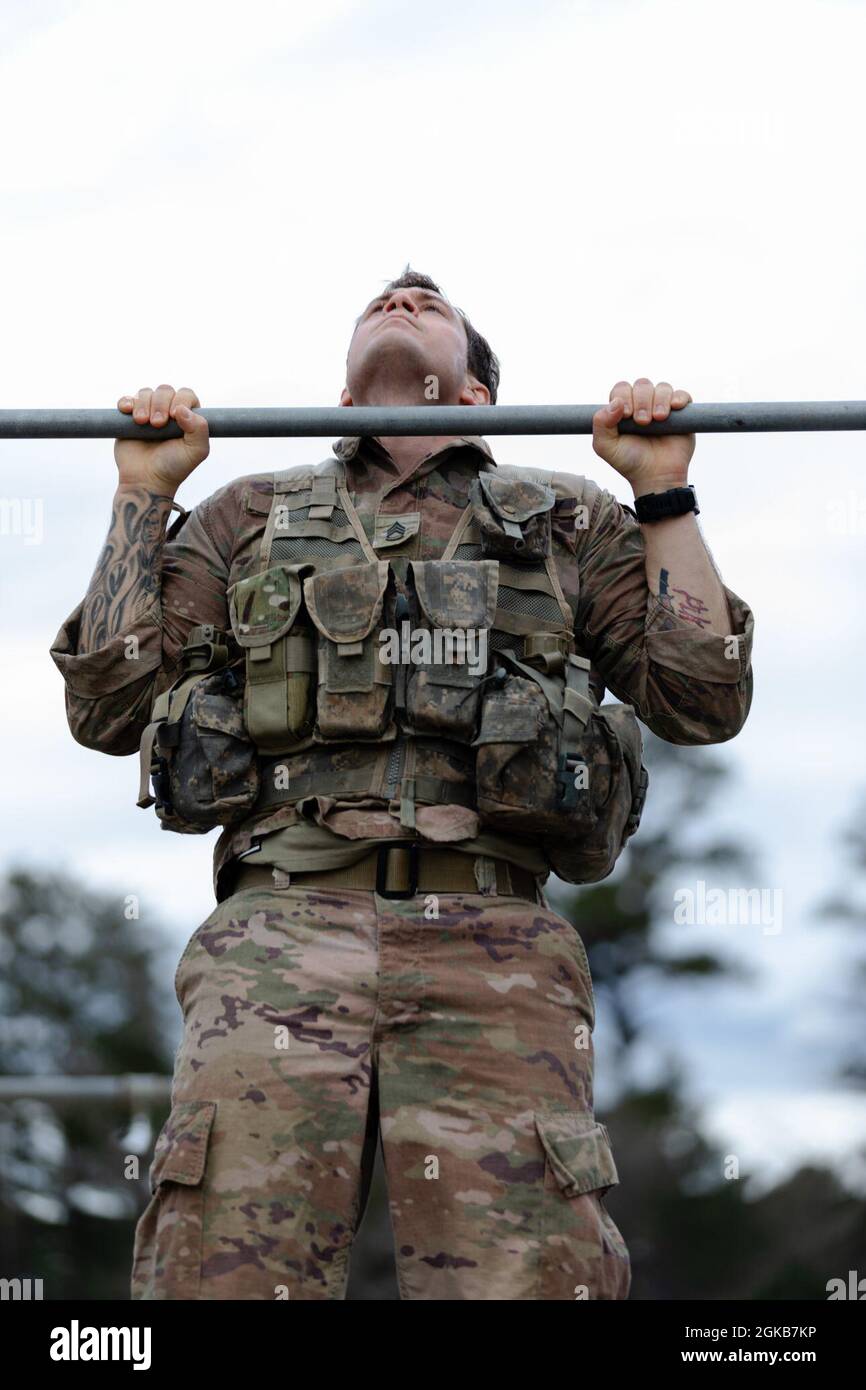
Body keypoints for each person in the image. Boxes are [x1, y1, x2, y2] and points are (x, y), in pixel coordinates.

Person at [50, 267, 754, 1300]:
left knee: (528, 1275)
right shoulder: (248, 514)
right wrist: (141, 494)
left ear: (476, 394)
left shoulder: (569, 519)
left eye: (431, 307)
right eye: (382, 302)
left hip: (495, 943)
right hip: (278, 941)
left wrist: (661, 488)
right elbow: (106, 708)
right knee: (221, 1270)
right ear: (343, 396)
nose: (402, 299)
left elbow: (701, 699)